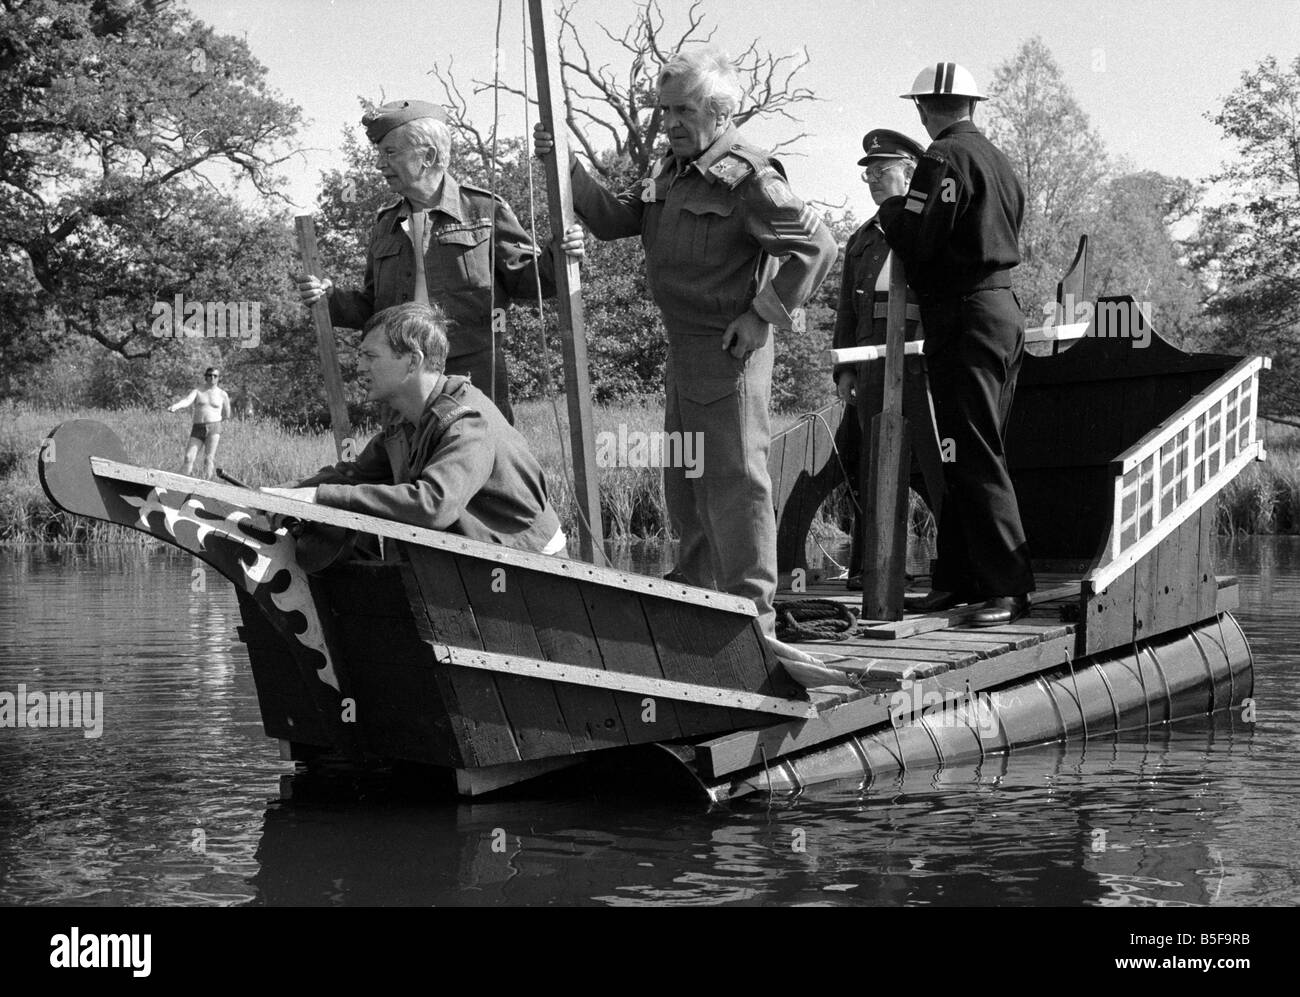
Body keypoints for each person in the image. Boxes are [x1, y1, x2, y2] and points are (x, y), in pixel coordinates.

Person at [534, 46, 837, 634]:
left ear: (720, 113)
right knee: (686, 477)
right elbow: (617, 220)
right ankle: (698, 599)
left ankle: (753, 617)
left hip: (730, 355)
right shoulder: (671, 173)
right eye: (664, 110)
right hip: (683, 351)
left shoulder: (748, 178)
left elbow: (817, 247)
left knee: (734, 482)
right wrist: (567, 168)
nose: (669, 123)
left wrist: (761, 316)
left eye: (683, 111)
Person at [294, 99, 584, 424]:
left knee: (481, 466)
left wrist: (563, 252)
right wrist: (328, 299)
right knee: (404, 469)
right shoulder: (385, 225)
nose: (379, 164)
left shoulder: (485, 211)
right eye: (380, 154)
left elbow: (535, 283)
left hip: (473, 379)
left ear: (428, 156)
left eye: (390, 153)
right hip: (401, 381)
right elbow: (372, 309)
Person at [877, 62, 1035, 626]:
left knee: (972, 449)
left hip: (966, 316)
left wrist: (892, 204)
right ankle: (960, 577)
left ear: (922, 109)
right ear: (973, 104)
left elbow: (920, 241)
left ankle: (1008, 587)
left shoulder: (942, 159)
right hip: (998, 312)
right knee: (967, 448)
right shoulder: (999, 160)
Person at [263, 302, 566, 556]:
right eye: (359, 356)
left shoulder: (467, 421)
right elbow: (354, 475)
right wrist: (280, 494)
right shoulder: (409, 417)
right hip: (479, 568)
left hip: (532, 574)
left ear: (412, 361)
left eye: (370, 356)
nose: (360, 367)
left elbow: (434, 505)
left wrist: (321, 497)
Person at [832, 128, 945, 590]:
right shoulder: (862, 238)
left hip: (924, 359)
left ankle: (954, 570)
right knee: (873, 462)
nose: (875, 179)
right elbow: (846, 309)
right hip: (873, 360)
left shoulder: (932, 228)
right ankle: (873, 567)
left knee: (938, 463)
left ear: (910, 173)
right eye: (869, 174)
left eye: (884, 171)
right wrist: (845, 369)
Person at [168, 367, 231, 479]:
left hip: (214, 428)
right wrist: (176, 406)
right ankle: (181, 482)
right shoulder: (198, 391)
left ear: (218, 378)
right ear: (205, 376)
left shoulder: (222, 394)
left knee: (208, 458)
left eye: (215, 376)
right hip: (198, 427)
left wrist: (216, 421)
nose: (212, 378)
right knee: (188, 457)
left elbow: (227, 414)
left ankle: (207, 486)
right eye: (210, 375)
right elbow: (187, 401)